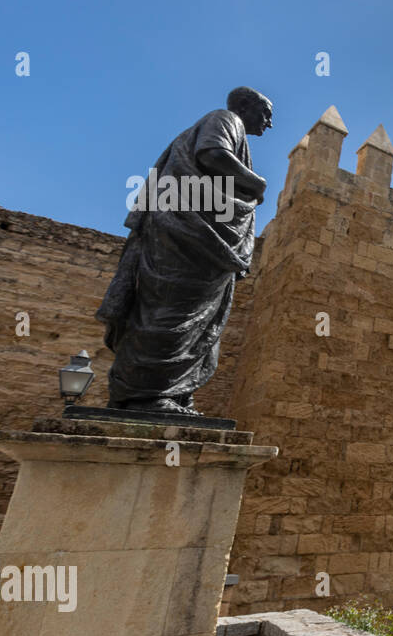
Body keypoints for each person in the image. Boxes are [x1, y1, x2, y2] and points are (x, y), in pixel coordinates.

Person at [97, 87, 273, 414]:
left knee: (186, 315)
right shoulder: (225, 118)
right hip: (188, 235)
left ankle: (170, 393)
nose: (270, 123)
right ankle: (147, 396)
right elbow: (212, 154)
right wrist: (256, 182)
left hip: (195, 236)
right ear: (246, 106)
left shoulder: (227, 125)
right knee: (173, 312)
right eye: (266, 113)